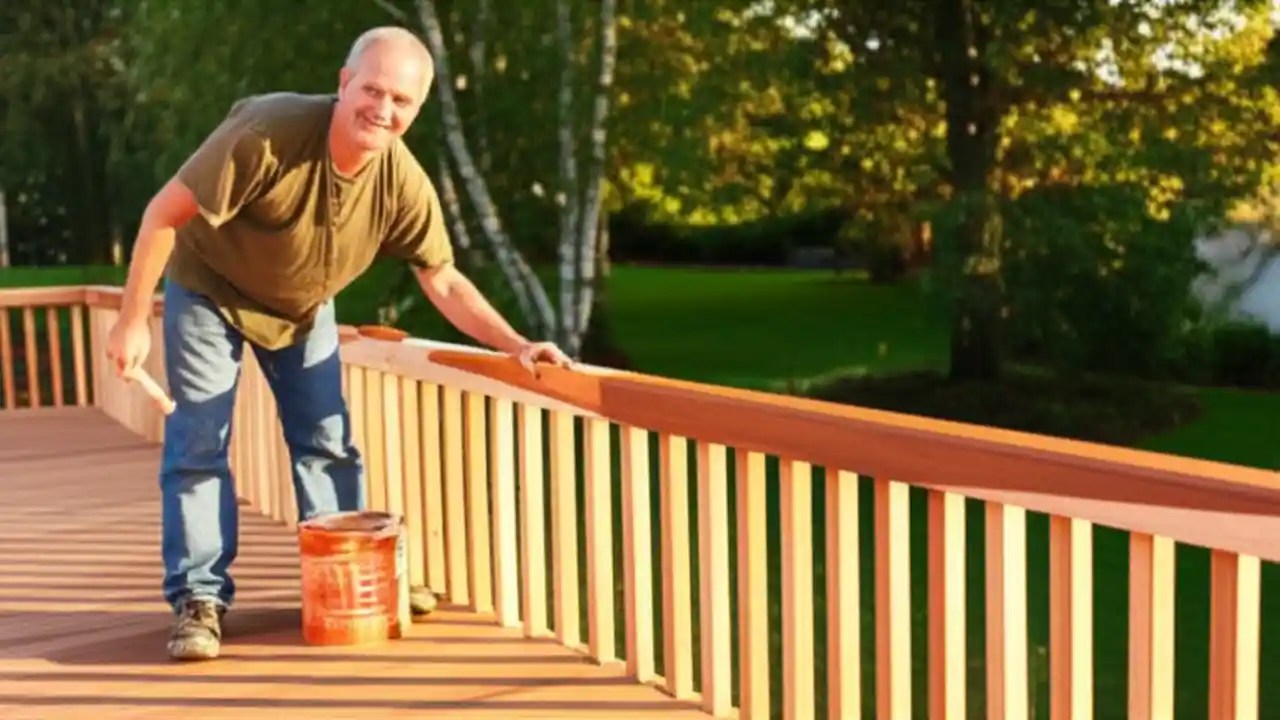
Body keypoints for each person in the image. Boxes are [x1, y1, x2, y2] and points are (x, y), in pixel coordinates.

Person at [105, 26, 571, 661]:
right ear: (344, 83)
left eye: (401, 101)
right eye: (371, 89)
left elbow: (442, 277)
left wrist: (516, 343)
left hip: (302, 306)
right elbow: (163, 213)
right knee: (199, 440)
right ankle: (199, 598)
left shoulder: (402, 182)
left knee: (326, 442)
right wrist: (132, 318)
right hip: (211, 287)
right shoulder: (268, 133)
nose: (383, 109)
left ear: (416, 109)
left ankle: (351, 578)